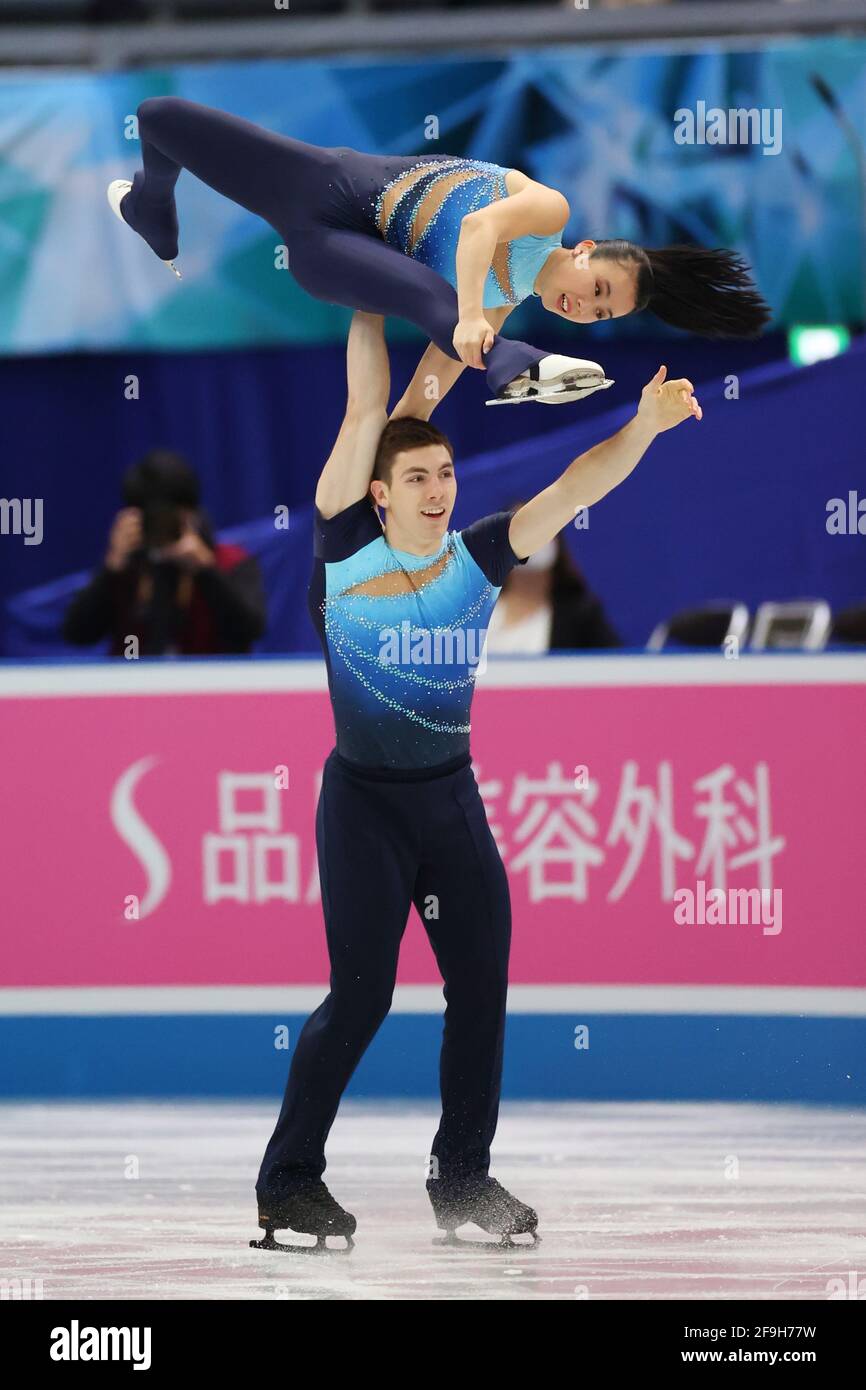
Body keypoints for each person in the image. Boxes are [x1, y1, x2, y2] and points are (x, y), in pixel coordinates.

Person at [251, 310, 701, 1253]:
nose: (438, 490)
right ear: (378, 495)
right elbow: (371, 404)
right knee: (362, 996)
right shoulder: (343, 551)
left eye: (447, 473)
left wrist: (647, 428)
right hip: (364, 807)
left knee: (481, 985)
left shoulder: (480, 557)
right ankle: (289, 1181)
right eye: (417, 477)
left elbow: (577, 484)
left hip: (451, 805)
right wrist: (365, 299)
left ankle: (462, 1179)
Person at [107, 97, 767, 411]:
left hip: (332, 253)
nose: (584, 306)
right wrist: (475, 318)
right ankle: (148, 210)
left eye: (600, 316)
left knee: (438, 311)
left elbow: (423, 395)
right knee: (159, 117)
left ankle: (522, 370)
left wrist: (391, 458)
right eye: (599, 289)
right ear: (586, 250)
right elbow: (479, 228)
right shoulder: (550, 211)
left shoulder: (489, 313)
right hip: (326, 182)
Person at [63, 449, 266, 656]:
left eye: (168, 516)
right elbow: (78, 634)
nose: (160, 526)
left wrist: (206, 572)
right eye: (150, 517)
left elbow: (251, 630)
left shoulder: (231, 561)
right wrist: (110, 569)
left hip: (211, 686)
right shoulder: (125, 568)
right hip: (136, 685)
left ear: (191, 512)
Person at [485, 520, 620, 653]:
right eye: (521, 531)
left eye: (538, 530)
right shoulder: (475, 607)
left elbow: (613, 664)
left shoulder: (579, 616)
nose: (530, 539)